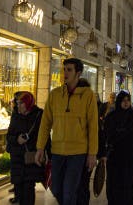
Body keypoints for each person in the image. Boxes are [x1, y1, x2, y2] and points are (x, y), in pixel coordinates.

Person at [35, 58, 98, 205]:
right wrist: (40, 147)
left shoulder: (88, 95)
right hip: (57, 151)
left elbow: (93, 126)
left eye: (69, 70)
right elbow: (45, 123)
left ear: (78, 73)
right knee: (56, 188)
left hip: (78, 152)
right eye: (64, 69)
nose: (65, 73)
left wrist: (92, 153)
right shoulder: (55, 94)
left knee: (69, 192)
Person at [101, 91, 133, 205]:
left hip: (131, 155)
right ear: (119, 102)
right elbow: (104, 135)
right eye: (123, 100)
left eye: (128, 100)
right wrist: (102, 153)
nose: (126, 103)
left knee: (129, 182)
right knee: (114, 182)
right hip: (115, 155)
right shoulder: (111, 117)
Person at [7, 92, 43, 205]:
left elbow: (43, 136)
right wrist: (17, 139)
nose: (18, 106)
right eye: (17, 103)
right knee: (19, 189)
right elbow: (9, 135)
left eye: (21, 103)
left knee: (28, 190)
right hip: (17, 158)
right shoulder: (15, 115)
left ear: (28, 103)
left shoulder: (39, 115)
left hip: (30, 158)